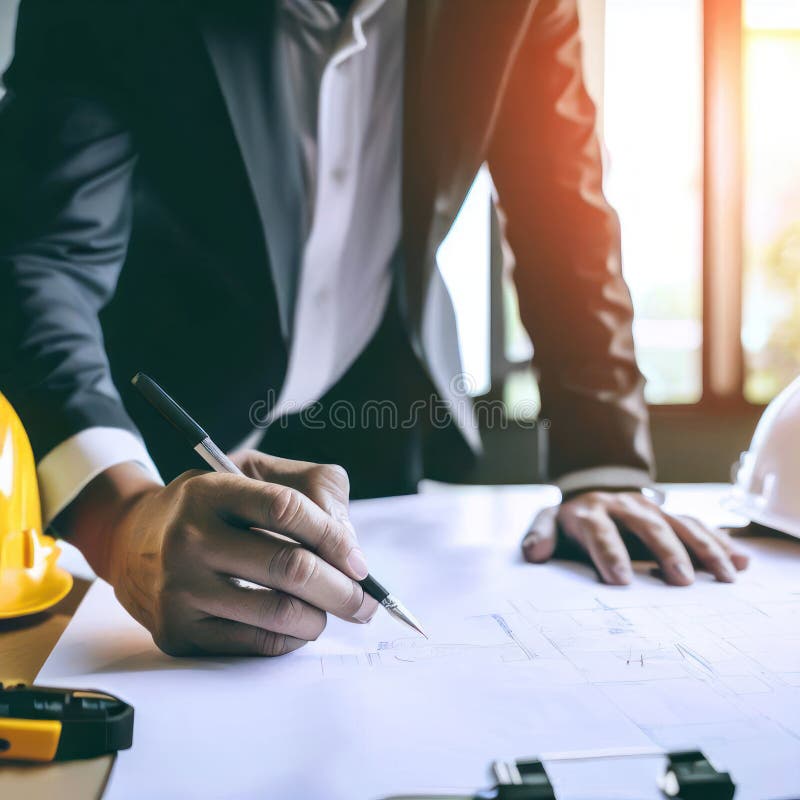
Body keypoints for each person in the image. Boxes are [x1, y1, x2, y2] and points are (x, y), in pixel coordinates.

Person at [0, 0, 748, 657]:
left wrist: (603, 467)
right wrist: (118, 515)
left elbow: (564, 213)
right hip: (159, 435)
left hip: (373, 414)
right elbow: (44, 258)